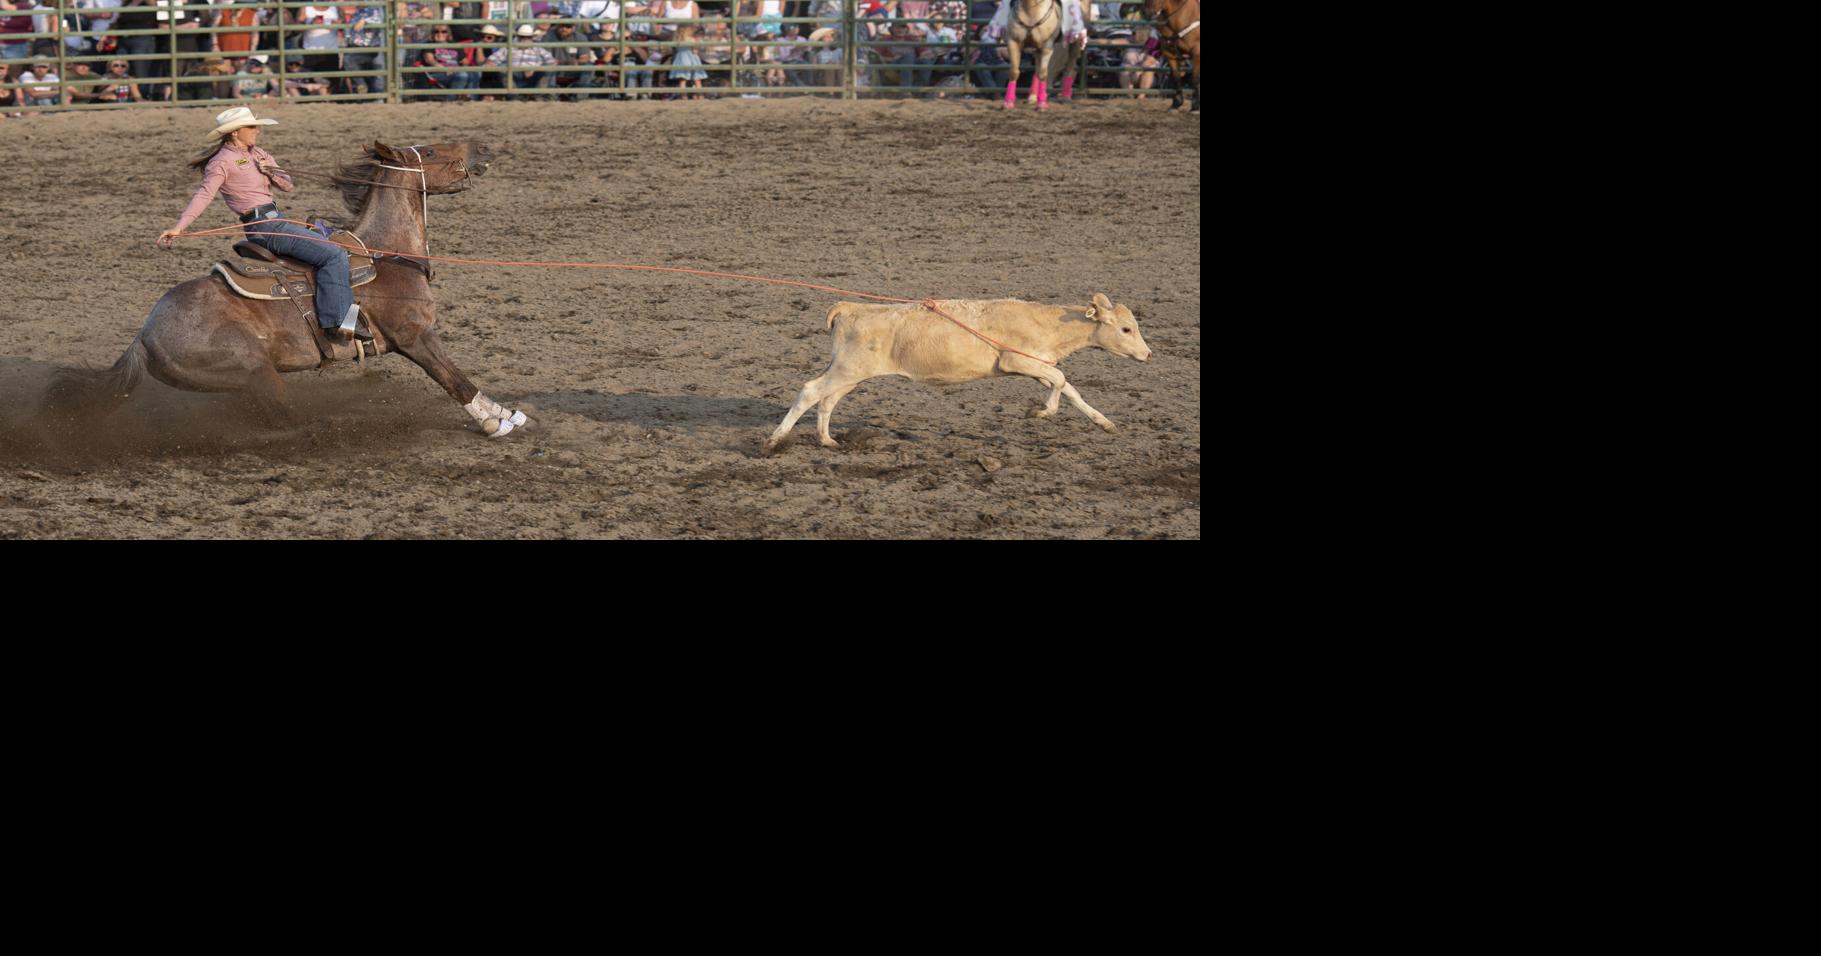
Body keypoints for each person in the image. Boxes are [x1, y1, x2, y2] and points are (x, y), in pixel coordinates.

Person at [157, 107, 368, 341]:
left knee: (336, 249)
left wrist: (271, 173)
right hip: (264, 227)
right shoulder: (221, 163)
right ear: (235, 132)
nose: (256, 130)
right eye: (251, 127)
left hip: (276, 221)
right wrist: (180, 227)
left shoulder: (259, 154)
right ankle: (338, 323)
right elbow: (204, 195)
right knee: (334, 255)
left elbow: (288, 185)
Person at [487, 23, 555, 98]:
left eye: (528, 37)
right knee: (502, 68)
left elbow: (552, 62)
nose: (525, 40)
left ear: (532, 38)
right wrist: (492, 64)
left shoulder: (539, 49)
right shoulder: (509, 48)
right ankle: (514, 95)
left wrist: (535, 69)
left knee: (548, 69)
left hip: (534, 75)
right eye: (523, 37)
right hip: (513, 74)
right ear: (518, 38)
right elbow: (492, 60)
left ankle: (538, 95)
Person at [419, 24, 479, 96]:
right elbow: (429, 60)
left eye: (443, 32)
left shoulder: (453, 45)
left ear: (448, 33)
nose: (440, 34)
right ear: (432, 33)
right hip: (439, 73)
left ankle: (470, 98)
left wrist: (460, 67)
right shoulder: (429, 44)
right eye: (436, 31)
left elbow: (465, 61)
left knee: (475, 73)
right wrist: (445, 69)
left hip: (455, 71)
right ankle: (451, 100)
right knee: (462, 75)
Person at [667, 21, 704, 97]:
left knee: (682, 80)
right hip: (692, 59)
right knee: (697, 80)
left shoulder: (677, 39)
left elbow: (675, 50)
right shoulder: (692, 39)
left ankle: (684, 96)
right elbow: (695, 51)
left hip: (681, 59)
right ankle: (700, 95)